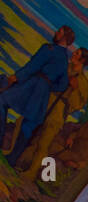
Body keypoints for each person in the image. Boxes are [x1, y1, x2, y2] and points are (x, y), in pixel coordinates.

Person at [0, 25, 75, 166]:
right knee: (29, 125)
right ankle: (13, 159)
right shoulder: (64, 60)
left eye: (59, 32)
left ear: (64, 37)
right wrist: (48, 86)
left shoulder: (49, 49)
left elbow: (32, 66)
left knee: (2, 100)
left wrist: (16, 77)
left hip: (31, 85)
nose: (56, 33)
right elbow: (62, 85)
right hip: (43, 93)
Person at [19, 48, 88, 181]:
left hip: (57, 113)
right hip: (45, 102)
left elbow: (78, 104)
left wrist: (74, 89)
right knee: (29, 133)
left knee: (43, 143)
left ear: (82, 60)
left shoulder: (82, 82)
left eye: (77, 54)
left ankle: (31, 172)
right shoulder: (63, 67)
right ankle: (20, 162)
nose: (73, 54)